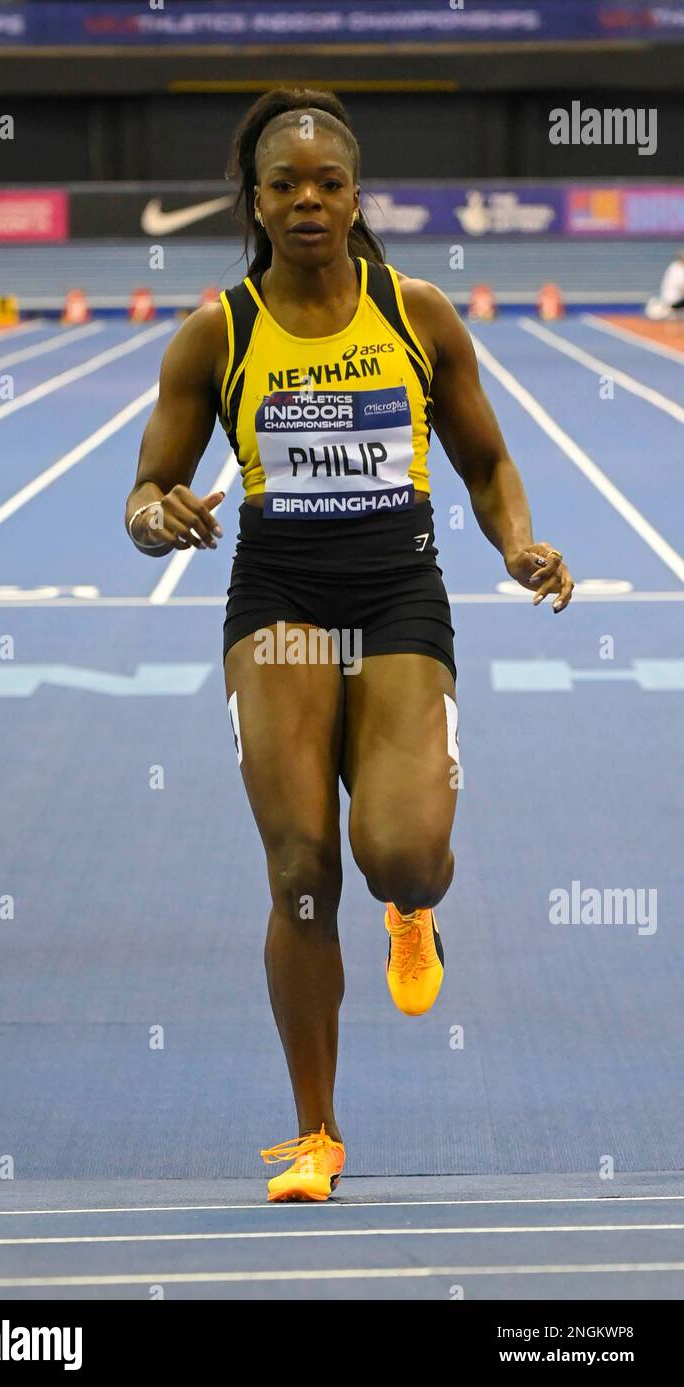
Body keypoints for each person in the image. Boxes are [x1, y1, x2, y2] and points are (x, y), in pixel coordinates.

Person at [124, 88, 574, 1204]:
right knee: (301, 873)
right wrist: (154, 517)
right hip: (278, 597)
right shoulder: (216, 331)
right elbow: (146, 489)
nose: (310, 200)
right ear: (258, 200)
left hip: (396, 598)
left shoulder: (416, 313)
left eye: (330, 183)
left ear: (357, 196)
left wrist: (517, 543)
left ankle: (414, 912)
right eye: (287, 184)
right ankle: (316, 1133)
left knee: (400, 854)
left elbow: (486, 461)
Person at [645, 248, 684, 320]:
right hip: (673, 300)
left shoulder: (674, 266)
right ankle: (669, 310)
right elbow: (682, 287)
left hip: (670, 299)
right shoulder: (678, 269)